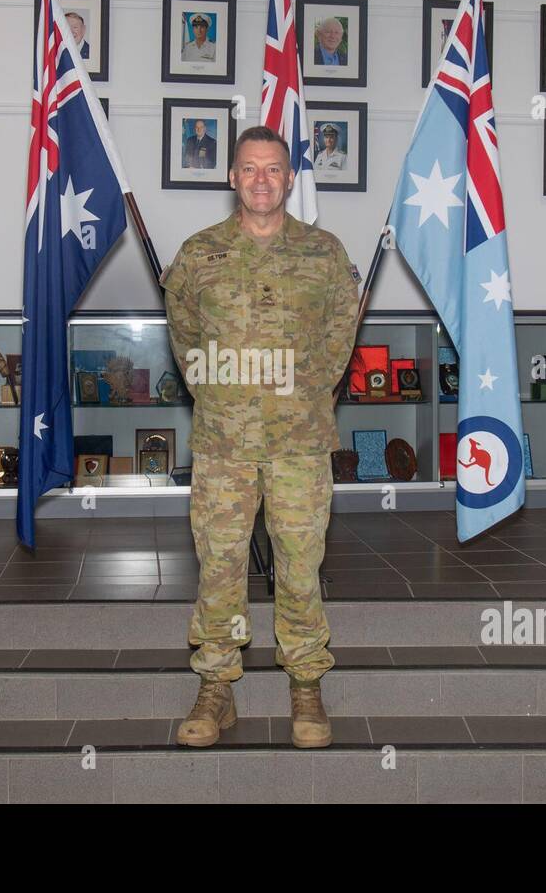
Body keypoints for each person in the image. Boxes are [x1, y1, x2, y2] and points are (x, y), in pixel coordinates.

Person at [161, 125, 361, 749]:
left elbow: (338, 338)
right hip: (223, 442)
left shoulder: (324, 254)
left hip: (300, 441)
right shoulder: (198, 254)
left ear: (290, 178)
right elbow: (184, 336)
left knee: (300, 565)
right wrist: (220, 394)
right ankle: (216, 689)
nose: (261, 180)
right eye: (249, 169)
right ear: (231, 177)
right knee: (219, 566)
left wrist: (301, 395)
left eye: (273, 169)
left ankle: (305, 687)